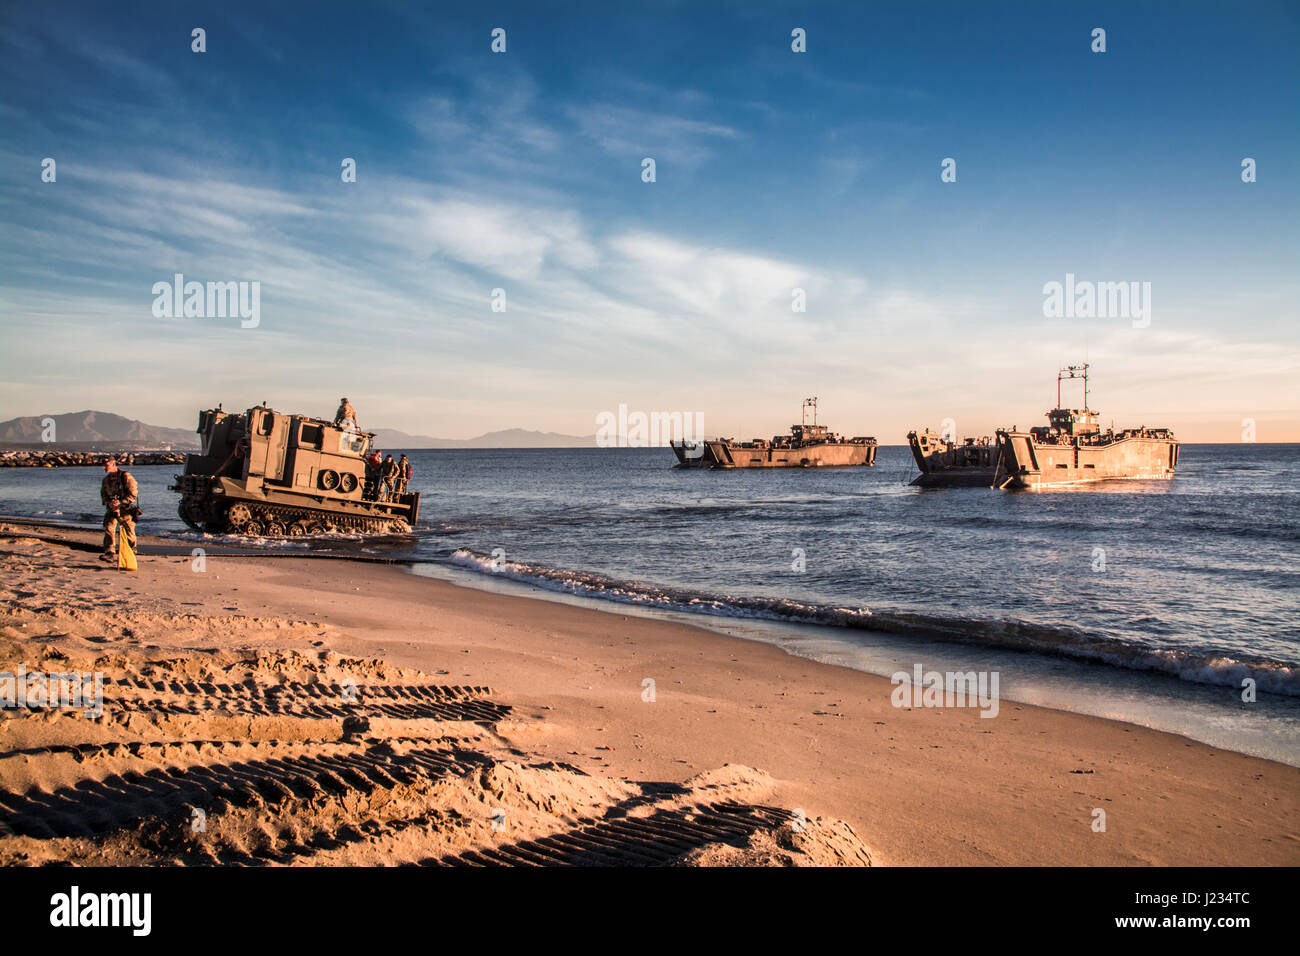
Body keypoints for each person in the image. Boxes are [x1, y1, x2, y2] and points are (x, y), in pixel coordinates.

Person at [100, 458, 139, 562]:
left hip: (125, 509)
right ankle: (109, 553)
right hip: (112, 509)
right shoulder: (106, 480)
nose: (104, 467)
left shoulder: (125, 476)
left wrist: (120, 503)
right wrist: (109, 503)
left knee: (129, 532)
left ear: (113, 464)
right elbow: (103, 496)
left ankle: (131, 553)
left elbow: (133, 494)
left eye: (106, 465)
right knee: (109, 528)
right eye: (103, 465)